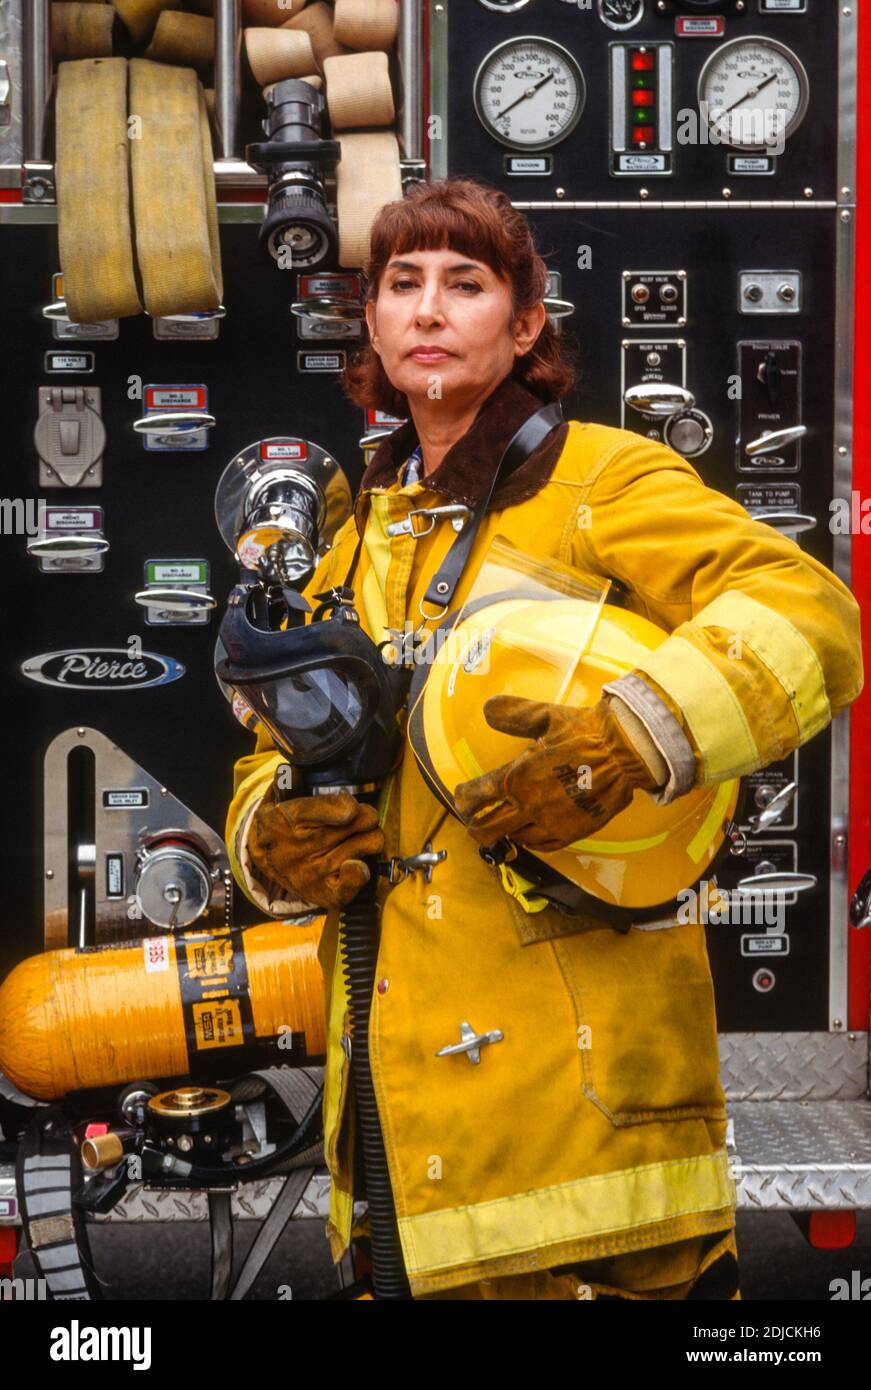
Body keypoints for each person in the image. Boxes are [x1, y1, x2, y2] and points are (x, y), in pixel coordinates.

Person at [225, 177, 864, 1300]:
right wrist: (268, 839)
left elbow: (811, 611)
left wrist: (636, 737)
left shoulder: (599, 480)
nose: (428, 310)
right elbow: (276, 754)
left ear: (524, 326)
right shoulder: (360, 534)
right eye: (403, 284)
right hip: (396, 1152)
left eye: (465, 285)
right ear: (369, 319)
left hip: (587, 1159)